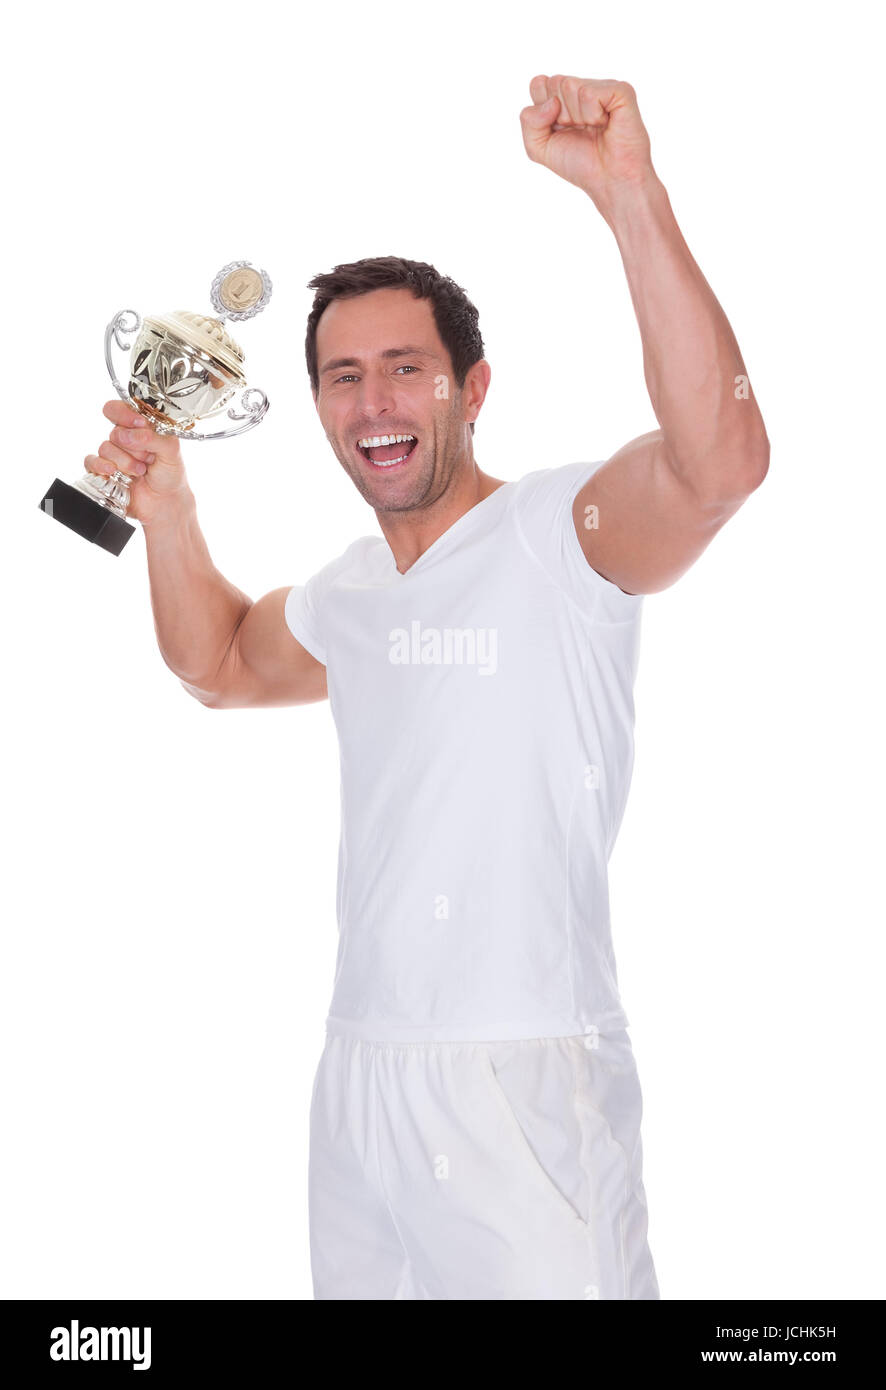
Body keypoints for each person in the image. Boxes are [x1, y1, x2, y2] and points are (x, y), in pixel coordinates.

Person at [84, 75, 769, 1299]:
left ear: (474, 386)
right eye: (344, 377)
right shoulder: (353, 590)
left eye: (405, 368)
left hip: (520, 1082)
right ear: (316, 409)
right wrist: (170, 511)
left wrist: (628, 194)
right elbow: (219, 665)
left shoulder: (564, 535)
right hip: (359, 1082)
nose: (375, 400)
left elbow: (719, 463)